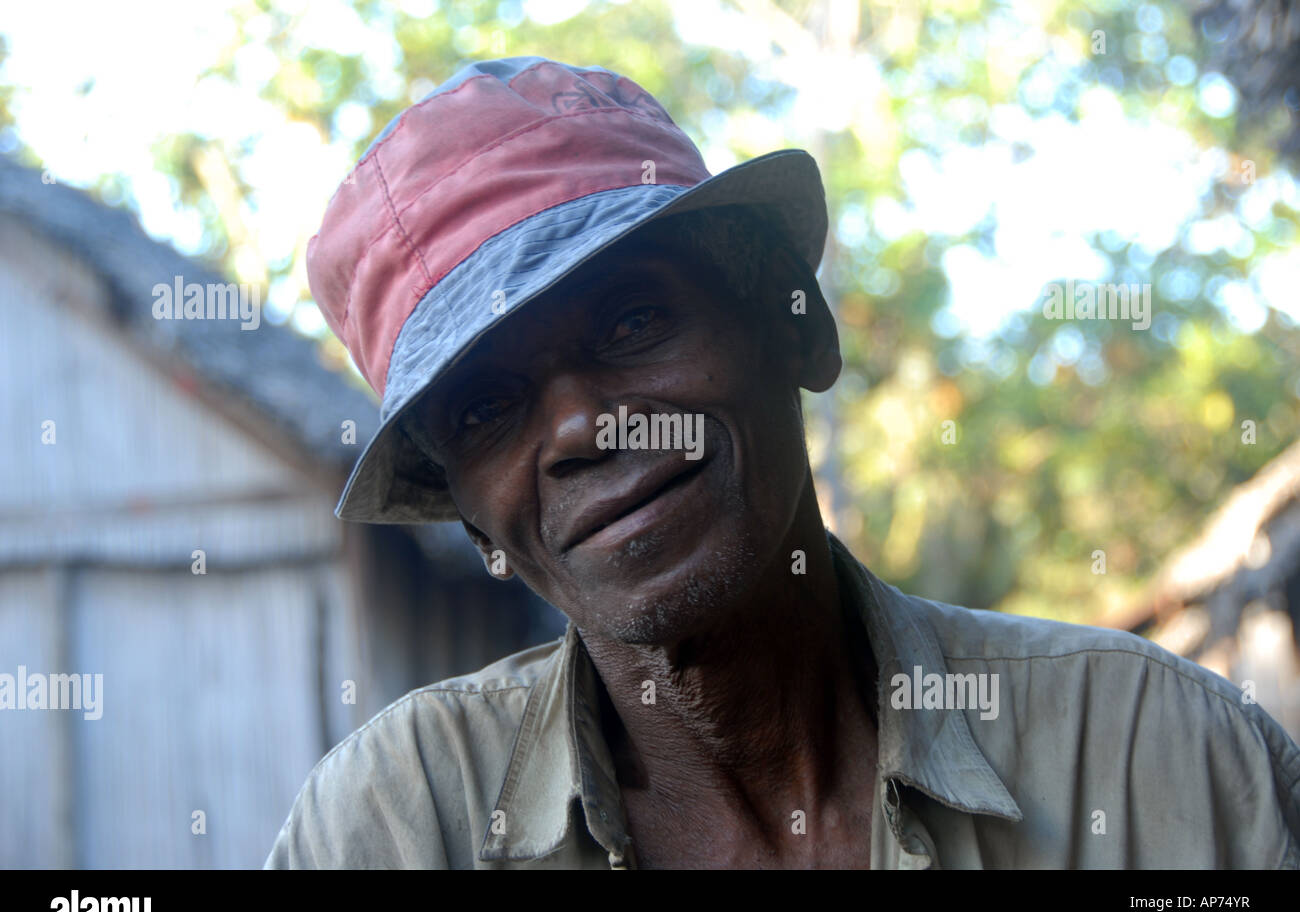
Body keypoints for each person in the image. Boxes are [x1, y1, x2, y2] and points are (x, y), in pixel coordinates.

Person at [265, 55, 1300, 869]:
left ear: (796, 330)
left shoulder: (1159, 760)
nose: (581, 428)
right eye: (487, 406)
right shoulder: (393, 831)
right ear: (469, 518)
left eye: (632, 321)